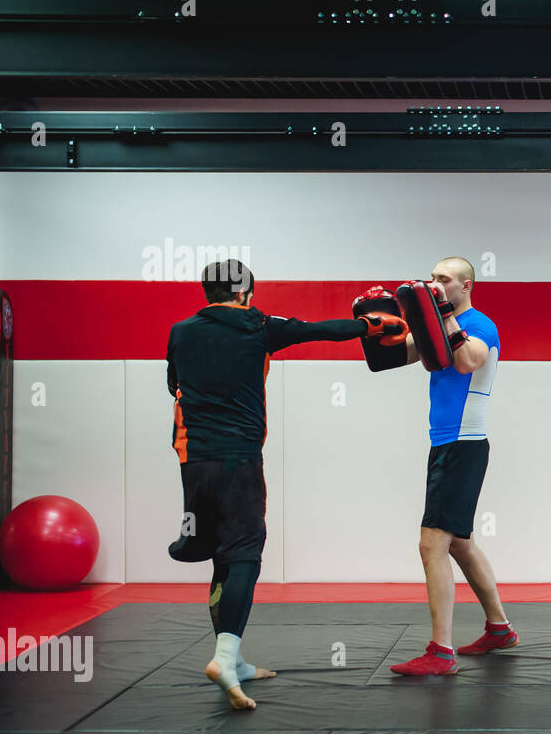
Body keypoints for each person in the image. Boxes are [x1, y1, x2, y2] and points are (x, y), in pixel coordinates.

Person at [167, 259, 403, 709]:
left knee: (221, 554)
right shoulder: (257, 326)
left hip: (194, 462)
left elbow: (173, 383)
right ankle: (225, 656)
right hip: (239, 463)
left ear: (206, 291)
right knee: (245, 553)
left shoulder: (181, 331)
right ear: (245, 293)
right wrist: (369, 325)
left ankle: (233, 660)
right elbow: (319, 331)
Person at [390, 256, 516, 676]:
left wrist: (440, 312)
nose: (436, 284)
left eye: (444, 280)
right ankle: (499, 629)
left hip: (464, 444)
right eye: (433, 279)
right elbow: (396, 355)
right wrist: (376, 326)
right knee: (458, 542)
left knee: (432, 544)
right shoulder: (434, 324)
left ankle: (440, 652)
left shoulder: (480, 324)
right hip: (445, 444)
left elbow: (468, 361)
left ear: (466, 286)